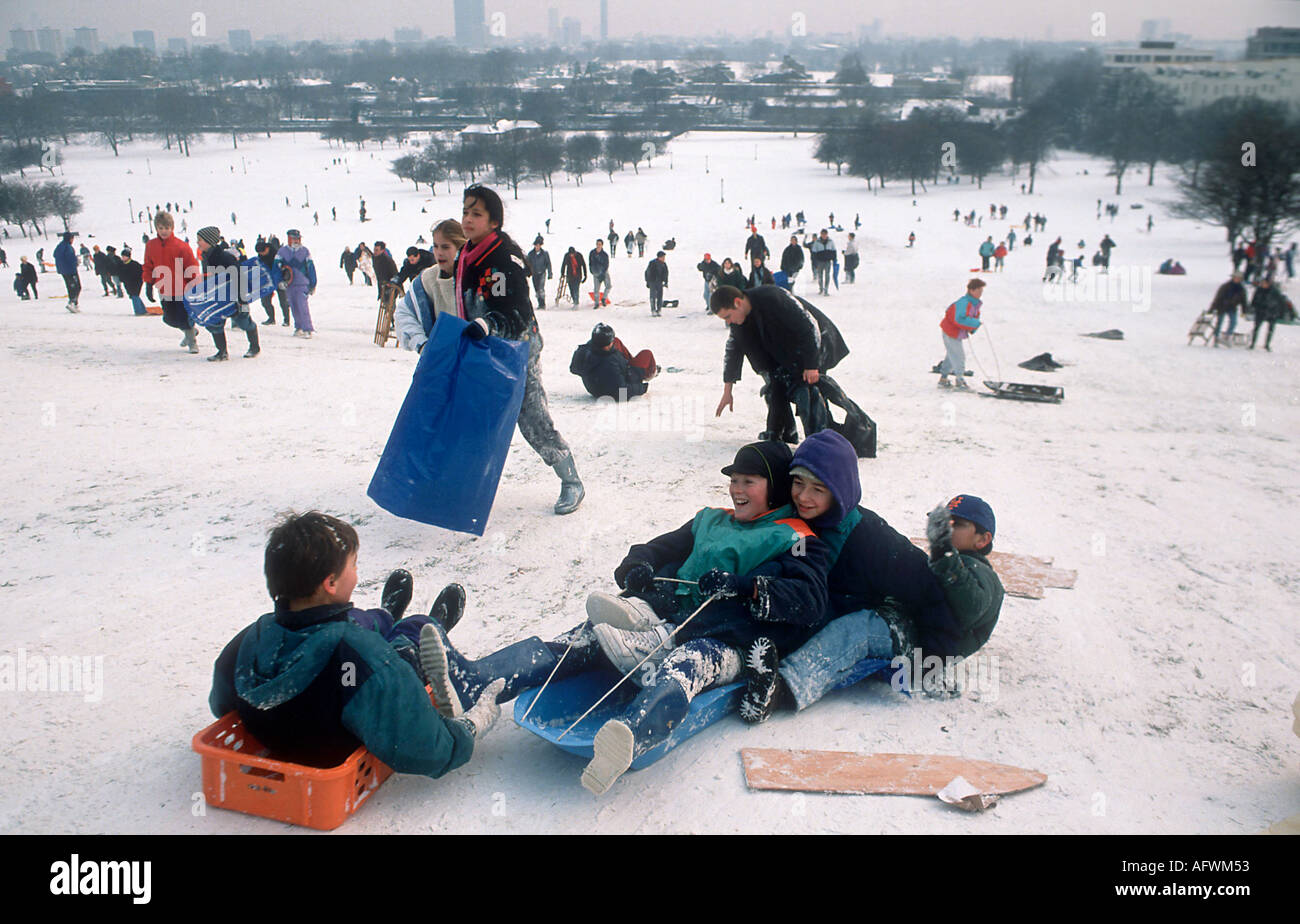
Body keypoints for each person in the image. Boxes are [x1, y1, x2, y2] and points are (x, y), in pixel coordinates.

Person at [417, 440, 832, 795]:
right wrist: (639, 565)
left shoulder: (796, 538)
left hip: (725, 639)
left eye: (749, 482)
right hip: (663, 616)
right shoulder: (712, 519)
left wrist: (746, 587)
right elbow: (658, 546)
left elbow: (809, 598)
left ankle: (631, 735)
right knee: (585, 637)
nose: (737, 489)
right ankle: (473, 679)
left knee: (684, 666)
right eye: (734, 480)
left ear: (774, 489)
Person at [208, 511, 503, 777]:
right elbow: (428, 748)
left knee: (351, 621)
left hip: (291, 713)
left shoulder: (250, 638)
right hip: (341, 725)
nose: (357, 573)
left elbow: (220, 705)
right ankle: (431, 623)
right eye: (354, 565)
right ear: (331, 583)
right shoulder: (360, 658)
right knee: (407, 639)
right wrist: (469, 727)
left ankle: (386, 614)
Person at [739, 431, 1002, 721]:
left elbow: (947, 604)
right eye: (797, 484)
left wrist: (931, 663)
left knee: (854, 631)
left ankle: (784, 689)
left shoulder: (876, 541)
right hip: (862, 608)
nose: (803, 496)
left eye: (817, 488)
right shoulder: (799, 517)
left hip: (912, 632)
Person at [456, 184, 584, 514]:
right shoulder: (466, 253)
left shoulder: (502, 260)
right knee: (474, 419)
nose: (468, 219)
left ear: (494, 222)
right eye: (466, 211)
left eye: (477, 214)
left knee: (532, 419)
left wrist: (488, 325)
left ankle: (571, 480)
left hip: (516, 351)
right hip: (481, 349)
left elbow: (517, 314)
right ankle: (466, 484)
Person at [711, 284, 850, 442]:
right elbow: (733, 350)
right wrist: (727, 390)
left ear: (737, 302)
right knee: (775, 388)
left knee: (807, 391)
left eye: (728, 316)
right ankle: (786, 433)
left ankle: (819, 438)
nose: (729, 322)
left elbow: (809, 326)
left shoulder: (773, 297)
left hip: (817, 344)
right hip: (786, 353)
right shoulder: (739, 323)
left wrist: (811, 365)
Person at [394, 218, 466, 353]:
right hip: (440, 364)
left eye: (445, 247)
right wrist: (421, 344)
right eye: (436, 246)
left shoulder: (476, 276)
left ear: (460, 247)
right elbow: (403, 313)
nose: (439, 252)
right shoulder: (427, 278)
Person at [195, 225, 260, 361]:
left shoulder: (225, 257)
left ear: (210, 241)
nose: (197, 242)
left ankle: (255, 347)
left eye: (200, 239)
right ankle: (222, 352)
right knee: (215, 323)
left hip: (234, 297)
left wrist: (242, 300)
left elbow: (238, 277)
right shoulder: (206, 257)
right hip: (217, 297)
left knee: (243, 322)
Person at [143, 210, 202, 353]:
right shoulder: (151, 245)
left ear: (172, 228)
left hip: (181, 288)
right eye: (161, 228)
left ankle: (192, 342)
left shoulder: (181, 246)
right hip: (164, 288)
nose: (164, 231)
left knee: (182, 317)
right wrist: (149, 284)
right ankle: (191, 332)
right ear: (156, 228)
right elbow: (148, 265)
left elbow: (191, 266)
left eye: (167, 228)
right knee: (169, 318)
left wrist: (194, 285)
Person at [569, 322, 657, 400]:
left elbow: (574, 369)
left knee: (617, 341)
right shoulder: (610, 362)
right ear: (607, 345)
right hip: (621, 383)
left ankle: (630, 361)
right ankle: (650, 373)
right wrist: (642, 388)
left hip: (595, 388)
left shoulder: (584, 351)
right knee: (646, 354)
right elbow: (621, 394)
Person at [937, 279, 985, 390]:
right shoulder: (964, 303)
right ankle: (959, 380)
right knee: (959, 356)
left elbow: (972, 317)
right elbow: (959, 319)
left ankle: (943, 378)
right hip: (950, 331)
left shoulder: (974, 304)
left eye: (981, 291)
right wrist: (975, 324)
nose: (980, 293)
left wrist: (973, 327)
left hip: (955, 332)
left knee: (951, 354)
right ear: (971, 290)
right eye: (978, 290)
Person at [277, 229, 317, 337]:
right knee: (294, 306)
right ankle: (298, 327)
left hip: (302, 283)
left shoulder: (305, 251)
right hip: (289, 284)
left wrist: (313, 284)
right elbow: (276, 268)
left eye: (298, 238)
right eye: (294, 238)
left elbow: (311, 267)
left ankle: (307, 329)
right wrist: (279, 281)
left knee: (303, 306)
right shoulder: (282, 252)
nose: (296, 241)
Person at [1249, 278, 1286, 351]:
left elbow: (1281, 302)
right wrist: (1253, 308)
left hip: (1272, 312)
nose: (1263, 285)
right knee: (1256, 328)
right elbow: (1254, 300)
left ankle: (1267, 344)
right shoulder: (1259, 290)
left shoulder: (1275, 291)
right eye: (1262, 283)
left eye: (1265, 283)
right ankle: (1253, 343)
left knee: (1270, 329)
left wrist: (1280, 312)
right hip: (1260, 311)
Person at [53, 231, 81, 313]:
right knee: (77, 287)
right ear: (70, 239)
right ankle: (72, 302)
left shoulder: (59, 246)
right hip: (71, 270)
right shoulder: (68, 247)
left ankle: (74, 303)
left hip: (63, 270)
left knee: (70, 287)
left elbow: (55, 255)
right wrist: (76, 262)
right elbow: (70, 258)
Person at [804, 229, 836, 296]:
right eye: (823, 234)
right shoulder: (817, 242)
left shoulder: (831, 242)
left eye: (825, 234)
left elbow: (834, 251)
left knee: (827, 275)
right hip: (820, 261)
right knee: (820, 276)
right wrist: (815, 261)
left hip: (827, 261)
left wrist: (834, 259)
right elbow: (814, 252)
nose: (824, 235)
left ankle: (826, 289)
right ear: (821, 234)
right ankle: (821, 288)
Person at [117, 246, 147, 316]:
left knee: (134, 295)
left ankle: (138, 311)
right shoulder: (121, 264)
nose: (123, 257)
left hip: (136, 283)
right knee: (134, 296)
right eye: (122, 256)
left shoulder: (134, 264)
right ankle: (142, 309)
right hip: (127, 283)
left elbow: (140, 272)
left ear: (128, 257)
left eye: (124, 256)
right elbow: (120, 273)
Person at [527, 236, 552, 309]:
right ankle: (539, 303)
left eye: (538, 245)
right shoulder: (531, 254)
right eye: (536, 245)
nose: (537, 247)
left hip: (542, 273)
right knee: (536, 289)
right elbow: (528, 264)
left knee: (541, 288)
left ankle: (543, 303)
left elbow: (548, 263)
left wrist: (550, 273)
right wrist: (527, 272)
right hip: (534, 274)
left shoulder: (544, 253)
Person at [645, 250, 669, 316]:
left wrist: (666, 282)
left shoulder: (664, 264)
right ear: (659, 257)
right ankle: (653, 310)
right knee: (653, 297)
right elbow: (647, 273)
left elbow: (666, 273)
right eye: (663, 257)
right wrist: (648, 282)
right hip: (653, 282)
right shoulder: (652, 263)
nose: (664, 259)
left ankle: (659, 310)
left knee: (660, 297)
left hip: (660, 282)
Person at [588, 238, 612, 306]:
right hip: (596, 272)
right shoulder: (592, 253)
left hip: (604, 272)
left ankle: (604, 298)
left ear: (602, 245)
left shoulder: (604, 254)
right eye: (597, 244)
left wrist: (603, 273)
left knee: (608, 286)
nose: (598, 246)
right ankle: (596, 303)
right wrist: (592, 271)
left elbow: (606, 264)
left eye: (600, 244)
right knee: (596, 289)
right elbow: (590, 263)